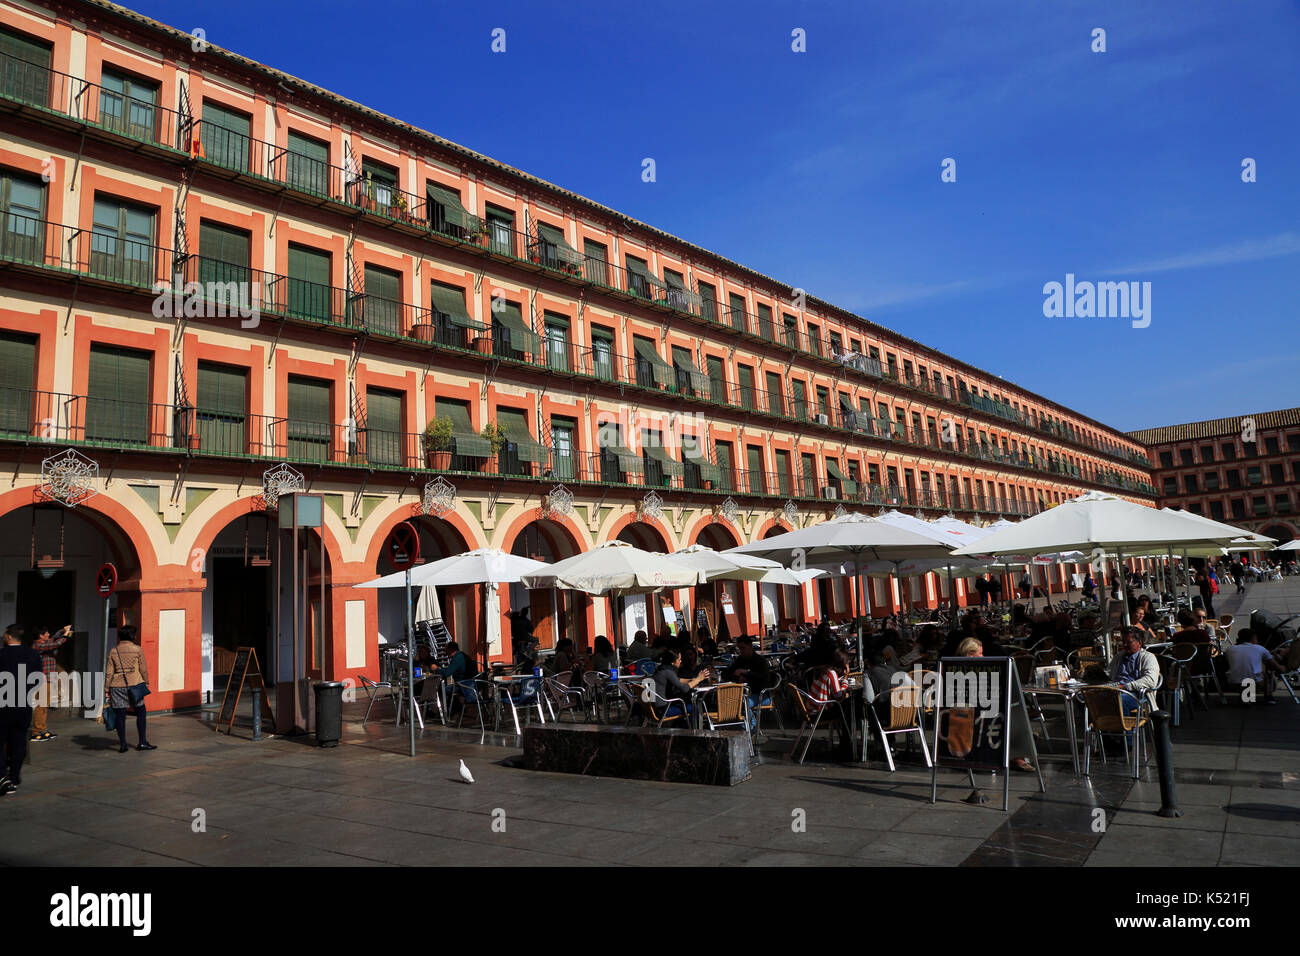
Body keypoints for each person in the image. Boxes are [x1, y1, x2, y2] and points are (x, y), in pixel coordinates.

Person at [957, 637, 1033, 772]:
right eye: (980, 653)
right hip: (972, 713)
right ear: (970, 654)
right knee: (1008, 714)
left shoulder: (960, 667)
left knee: (1010, 711)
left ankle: (1016, 752)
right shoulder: (965, 670)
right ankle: (1016, 755)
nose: (983, 656)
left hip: (979, 709)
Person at [0, 625, 41, 794]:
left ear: (9, 637)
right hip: (23, 704)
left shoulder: (1, 655)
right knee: (19, 741)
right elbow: (37, 679)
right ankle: (14, 775)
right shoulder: (32, 655)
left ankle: (3, 777)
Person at [105, 625, 155, 753]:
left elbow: (109, 672)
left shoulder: (113, 651)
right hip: (135, 685)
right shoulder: (137, 649)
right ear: (132, 636)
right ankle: (142, 742)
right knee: (141, 712)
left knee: (120, 715)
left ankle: (123, 745)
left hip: (116, 686)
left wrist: (106, 688)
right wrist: (146, 682)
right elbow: (143, 668)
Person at [721, 635, 771, 730]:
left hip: (761, 695)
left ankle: (751, 726)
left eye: (743, 648)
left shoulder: (761, 661)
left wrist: (746, 673)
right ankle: (738, 725)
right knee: (728, 699)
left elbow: (764, 679)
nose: (741, 651)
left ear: (750, 646)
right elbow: (726, 673)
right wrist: (738, 679)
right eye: (739, 648)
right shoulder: (740, 660)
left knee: (741, 702)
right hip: (744, 694)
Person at [30, 624, 71, 742]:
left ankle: (42, 729)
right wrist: (66, 635)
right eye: (45, 633)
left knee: (45, 705)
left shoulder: (44, 642)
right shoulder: (38, 644)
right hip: (42, 679)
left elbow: (54, 638)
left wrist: (62, 631)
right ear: (40, 635)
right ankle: (36, 732)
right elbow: (55, 643)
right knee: (41, 705)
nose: (48, 635)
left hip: (48, 678)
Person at [1108, 626, 1161, 716]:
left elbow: (1150, 681)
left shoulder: (1148, 657)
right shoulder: (1118, 657)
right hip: (1115, 690)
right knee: (1085, 697)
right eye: (1123, 642)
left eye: (1128, 642)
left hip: (1138, 694)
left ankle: (1126, 729)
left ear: (1139, 643)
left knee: (1118, 701)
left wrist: (1125, 687)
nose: (1124, 645)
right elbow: (1109, 674)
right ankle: (1100, 727)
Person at [1224, 629, 1283, 704]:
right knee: (1265, 672)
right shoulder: (1260, 648)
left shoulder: (1230, 649)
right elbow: (1274, 664)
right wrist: (1283, 668)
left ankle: (1247, 697)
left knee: (1245, 670)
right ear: (1253, 638)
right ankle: (1268, 697)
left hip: (1233, 682)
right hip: (1254, 681)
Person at [649, 650, 709, 719]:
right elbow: (684, 689)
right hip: (664, 710)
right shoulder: (668, 672)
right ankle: (690, 728)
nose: (680, 661)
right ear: (672, 662)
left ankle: (682, 725)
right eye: (679, 659)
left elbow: (678, 680)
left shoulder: (662, 669)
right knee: (696, 708)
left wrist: (693, 679)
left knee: (687, 705)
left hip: (656, 708)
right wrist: (698, 679)